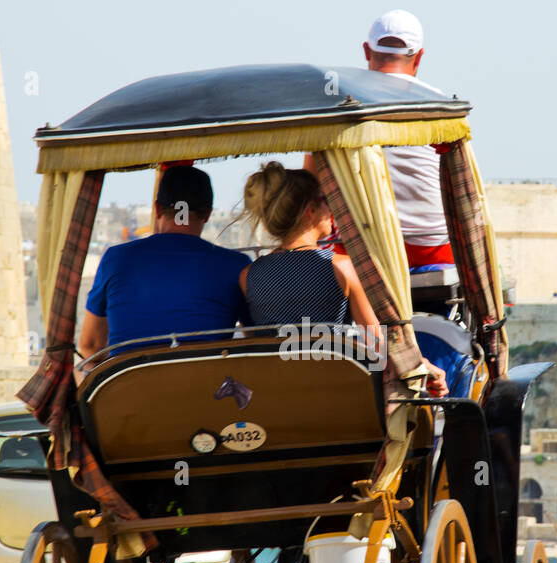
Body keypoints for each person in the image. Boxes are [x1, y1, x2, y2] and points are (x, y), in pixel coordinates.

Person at [240, 162, 448, 395]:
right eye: (326, 201)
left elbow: (254, 345)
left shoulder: (249, 275)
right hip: (334, 394)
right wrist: (423, 367)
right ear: (311, 210)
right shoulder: (341, 267)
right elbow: (378, 345)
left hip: (277, 394)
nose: (332, 212)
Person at [77, 164, 250, 360]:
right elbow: (254, 339)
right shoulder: (237, 266)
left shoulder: (115, 259)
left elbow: (89, 345)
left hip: (128, 386)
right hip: (207, 386)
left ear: (158, 209)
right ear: (208, 214)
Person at [362, 9, 455, 269]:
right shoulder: (442, 107)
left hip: (365, 251)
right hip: (433, 249)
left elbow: (313, 186)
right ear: (420, 57)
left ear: (367, 52)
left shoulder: (338, 105)